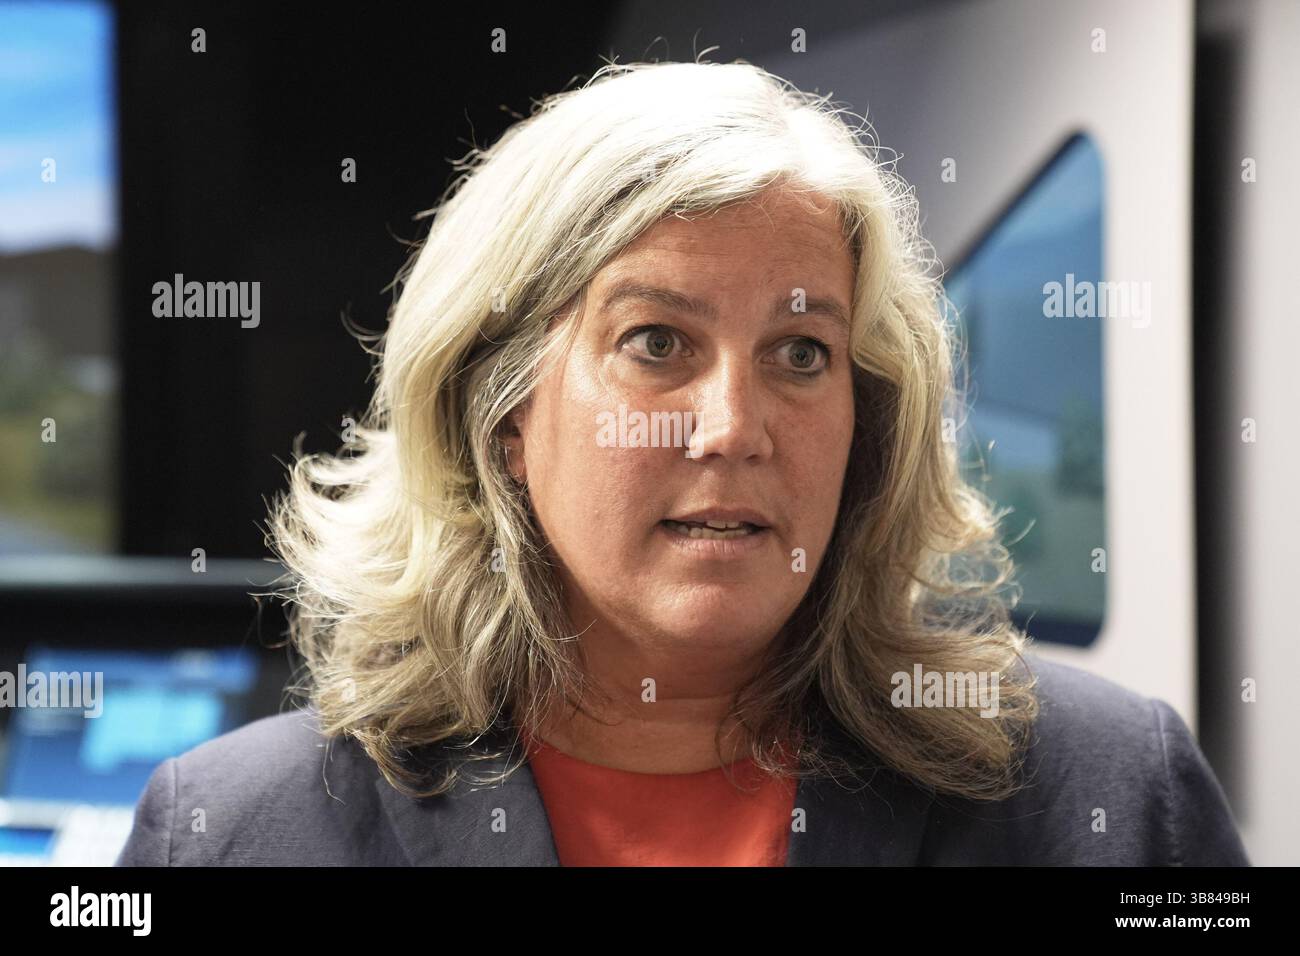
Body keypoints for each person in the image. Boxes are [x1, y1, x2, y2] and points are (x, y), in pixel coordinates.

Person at [116, 59, 1249, 867]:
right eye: (657, 343)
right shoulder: (231, 827)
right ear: (500, 408)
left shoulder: (1111, 791)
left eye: (801, 352)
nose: (731, 425)